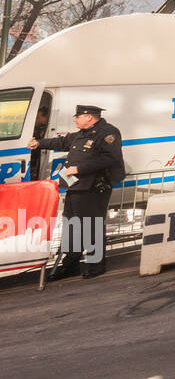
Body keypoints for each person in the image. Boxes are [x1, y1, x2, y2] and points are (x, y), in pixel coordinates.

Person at [29, 104, 124, 280]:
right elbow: (62, 142)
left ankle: (96, 265)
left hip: (93, 187)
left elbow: (110, 158)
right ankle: (70, 265)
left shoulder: (108, 133)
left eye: (78, 116)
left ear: (89, 117)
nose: (75, 119)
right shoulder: (82, 133)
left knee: (91, 226)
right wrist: (39, 143)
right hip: (76, 186)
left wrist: (78, 168)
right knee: (71, 227)